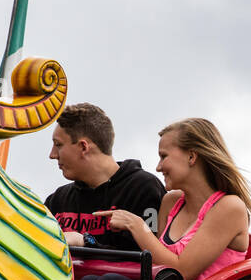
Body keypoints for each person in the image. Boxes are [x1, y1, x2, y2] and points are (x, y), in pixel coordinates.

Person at [75, 118, 251, 280]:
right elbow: (154, 267)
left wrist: (137, 226)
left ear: (191, 157)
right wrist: (89, 242)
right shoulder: (171, 201)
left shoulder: (229, 208)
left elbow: (179, 273)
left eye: (163, 156)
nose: (158, 167)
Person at [45, 103, 165, 250]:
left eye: (58, 145)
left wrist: (86, 242)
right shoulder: (57, 199)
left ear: (84, 147)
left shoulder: (144, 188)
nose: (52, 155)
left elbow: (149, 258)